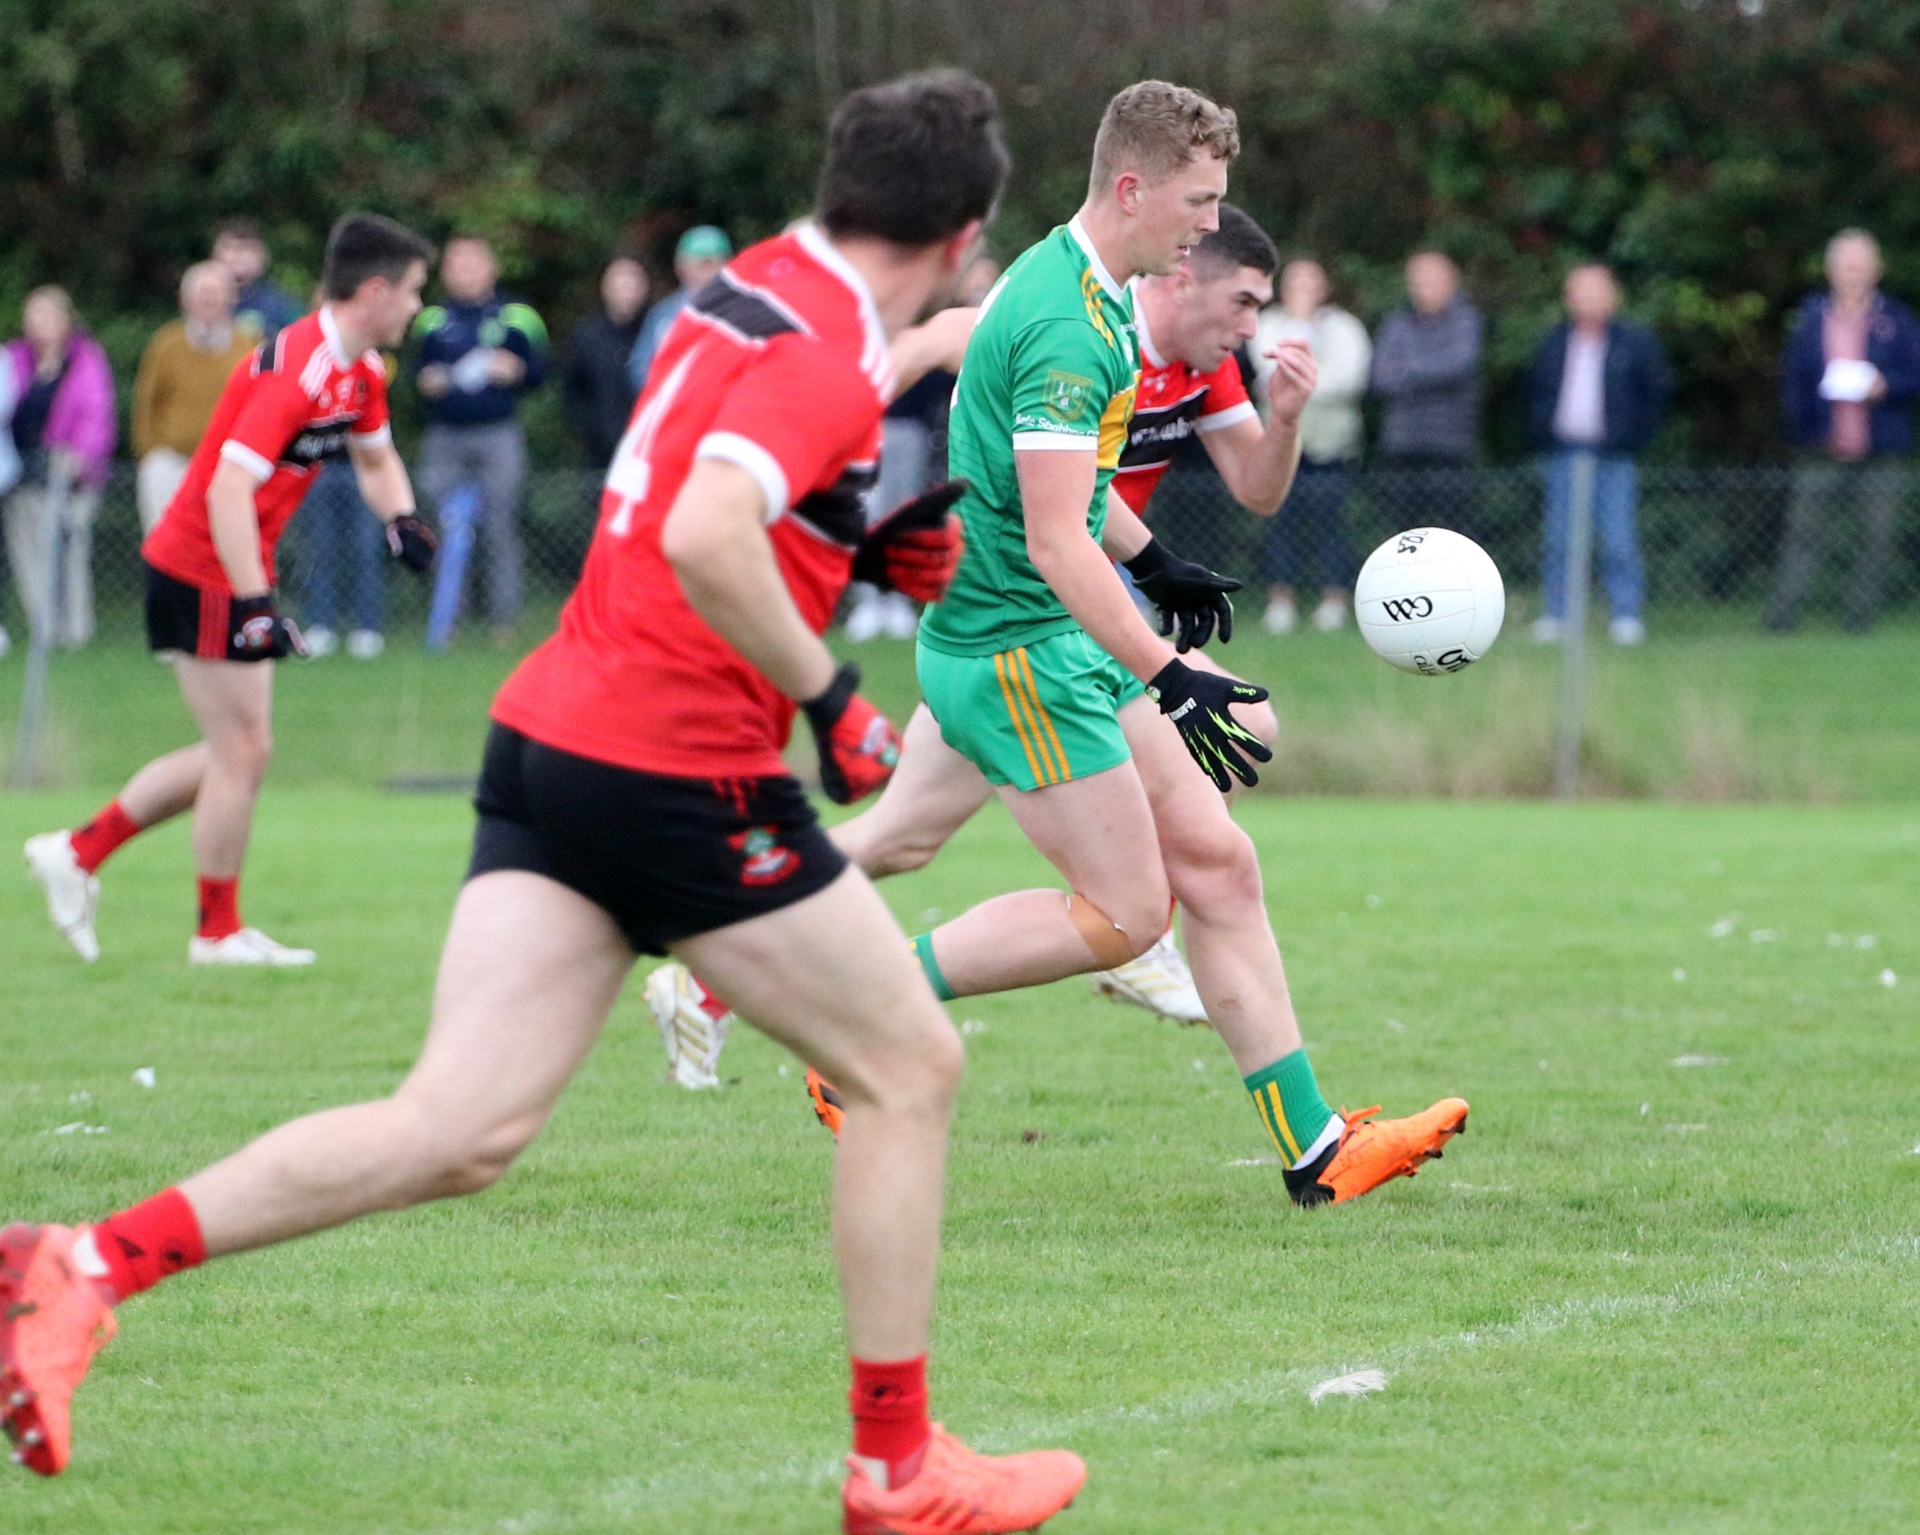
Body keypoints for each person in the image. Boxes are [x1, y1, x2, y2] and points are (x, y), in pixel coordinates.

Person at [1, 74, 1090, 1535]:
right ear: (962, 238)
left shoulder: (749, 290)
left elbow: (741, 466)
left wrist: (852, 534)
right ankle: (896, 1467)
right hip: (676, 765)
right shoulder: (830, 353)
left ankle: (86, 1264)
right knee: (911, 1065)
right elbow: (710, 528)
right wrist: (833, 697)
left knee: (456, 1126)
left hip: (549, 735)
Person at [648, 201, 1320, 1072]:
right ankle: (1133, 930)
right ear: (1184, 274)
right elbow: (937, 351)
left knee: (902, 839)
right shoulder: (1070, 321)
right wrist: (797, 442)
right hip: (1017, 624)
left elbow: (1252, 490)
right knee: (1233, 742)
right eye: (1245, 302)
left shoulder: (1202, 366)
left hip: (1066, 618)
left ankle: (710, 958)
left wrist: (1286, 424)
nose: (1252, 328)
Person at [22, 214, 440, 967]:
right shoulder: (296, 370)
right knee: (242, 750)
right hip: (203, 566)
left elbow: (375, 461)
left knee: (239, 749)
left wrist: (402, 520)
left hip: (229, 566)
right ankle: (207, 929)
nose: (417, 306)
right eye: (412, 291)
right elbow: (225, 492)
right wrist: (256, 604)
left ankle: (82, 853)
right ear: (374, 291)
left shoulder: (360, 370)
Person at [1766, 229, 1920, 635]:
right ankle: (1782, 619)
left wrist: (1885, 386)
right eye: (1845, 264)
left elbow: (1915, 375)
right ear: (1831, 271)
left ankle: (1859, 622)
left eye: (1861, 264)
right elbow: (1794, 381)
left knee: (1877, 538)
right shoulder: (1809, 319)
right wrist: (1801, 428)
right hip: (1821, 445)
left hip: (1882, 447)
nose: (1853, 272)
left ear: (1877, 270)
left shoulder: (1898, 321)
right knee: (1803, 534)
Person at [843, 256, 999, 644]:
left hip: (908, 427)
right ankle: (867, 603)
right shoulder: (864, 315)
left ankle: (894, 602)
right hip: (868, 426)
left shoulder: (932, 316)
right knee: (866, 510)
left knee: (901, 509)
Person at [1526, 263, 1673, 647]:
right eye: (1581, 292)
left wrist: (1631, 436)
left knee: (1617, 538)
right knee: (1559, 538)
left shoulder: (1635, 343)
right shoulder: (1554, 342)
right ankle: (1557, 615)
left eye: (1596, 292)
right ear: (1568, 299)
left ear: (1614, 297)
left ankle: (1625, 615)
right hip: (1564, 454)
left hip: (1613, 457)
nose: (1589, 300)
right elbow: (1533, 392)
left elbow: (1655, 394)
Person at [411, 234, 548, 643]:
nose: (466, 271)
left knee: (500, 526)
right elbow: (414, 378)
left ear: (492, 268)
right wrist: (427, 382)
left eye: (474, 262)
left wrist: (518, 371)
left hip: (498, 434)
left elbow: (542, 373)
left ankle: (503, 623)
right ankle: (447, 619)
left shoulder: (517, 315)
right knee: (444, 525)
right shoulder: (430, 317)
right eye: (458, 263)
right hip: (445, 435)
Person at [1253, 256, 1371, 634]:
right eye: (1295, 283)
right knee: (1279, 523)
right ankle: (1280, 602)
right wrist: (1310, 378)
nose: (1302, 291)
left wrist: (1300, 383)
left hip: (1330, 445)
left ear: (1324, 289)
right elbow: (1267, 370)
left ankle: (1333, 602)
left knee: (1331, 524)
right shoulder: (1267, 324)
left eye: (1310, 283)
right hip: (1279, 444)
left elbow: (1348, 378)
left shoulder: (1344, 327)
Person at [2, 287, 117, 650]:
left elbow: (96, 414)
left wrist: (81, 457)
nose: (41, 324)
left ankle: (76, 629)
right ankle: (44, 626)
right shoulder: (14, 359)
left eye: (49, 316)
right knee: (29, 551)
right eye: (34, 316)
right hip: (23, 471)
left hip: (70, 472)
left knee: (70, 549)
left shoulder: (85, 359)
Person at [132, 263, 257, 534]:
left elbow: (258, 406)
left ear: (231, 298)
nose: (208, 300)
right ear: (185, 299)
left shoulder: (247, 346)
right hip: (172, 462)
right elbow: (146, 405)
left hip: (227, 467)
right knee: (164, 544)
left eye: (215, 293)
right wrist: (151, 454)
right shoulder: (166, 344)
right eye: (202, 293)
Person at [1371, 250, 1483, 537]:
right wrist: (1427, 371)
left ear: (1451, 283)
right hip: (1402, 446)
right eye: (1419, 281)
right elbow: (1380, 377)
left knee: (1451, 534)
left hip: (1450, 447)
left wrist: (1406, 370)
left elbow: (1458, 366)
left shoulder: (1466, 321)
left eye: (1433, 280)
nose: (1425, 288)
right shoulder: (1395, 322)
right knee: (1403, 534)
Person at [561, 255, 649, 471]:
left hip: (649, 446)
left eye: (632, 284)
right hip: (600, 452)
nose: (625, 292)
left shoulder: (656, 331)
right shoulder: (586, 337)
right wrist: (593, 429)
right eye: (618, 285)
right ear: (605, 289)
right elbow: (573, 393)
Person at [626, 224, 732, 395]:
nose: (708, 272)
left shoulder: (743, 311)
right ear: (681, 267)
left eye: (713, 263)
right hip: (677, 410)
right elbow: (640, 367)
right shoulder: (663, 315)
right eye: (701, 264)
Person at [212, 220, 303, 343]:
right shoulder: (198, 302)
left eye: (247, 248)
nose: (237, 256)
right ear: (214, 255)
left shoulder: (281, 306)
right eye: (229, 248)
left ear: (263, 257)